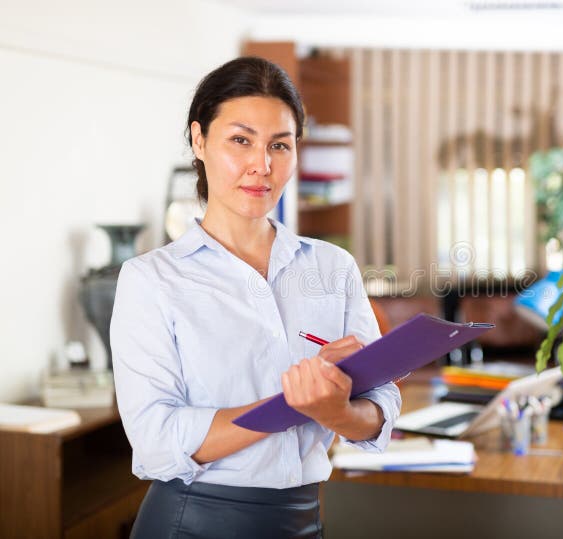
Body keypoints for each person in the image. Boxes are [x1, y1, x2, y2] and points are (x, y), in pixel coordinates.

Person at [110, 56, 401, 539]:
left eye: (279, 145)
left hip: (304, 520)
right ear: (199, 140)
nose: (261, 166)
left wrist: (341, 413)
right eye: (240, 140)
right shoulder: (151, 279)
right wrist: (293, 405)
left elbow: (381, 402)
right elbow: (156, 440)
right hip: (190, 522)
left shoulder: (333, 268)